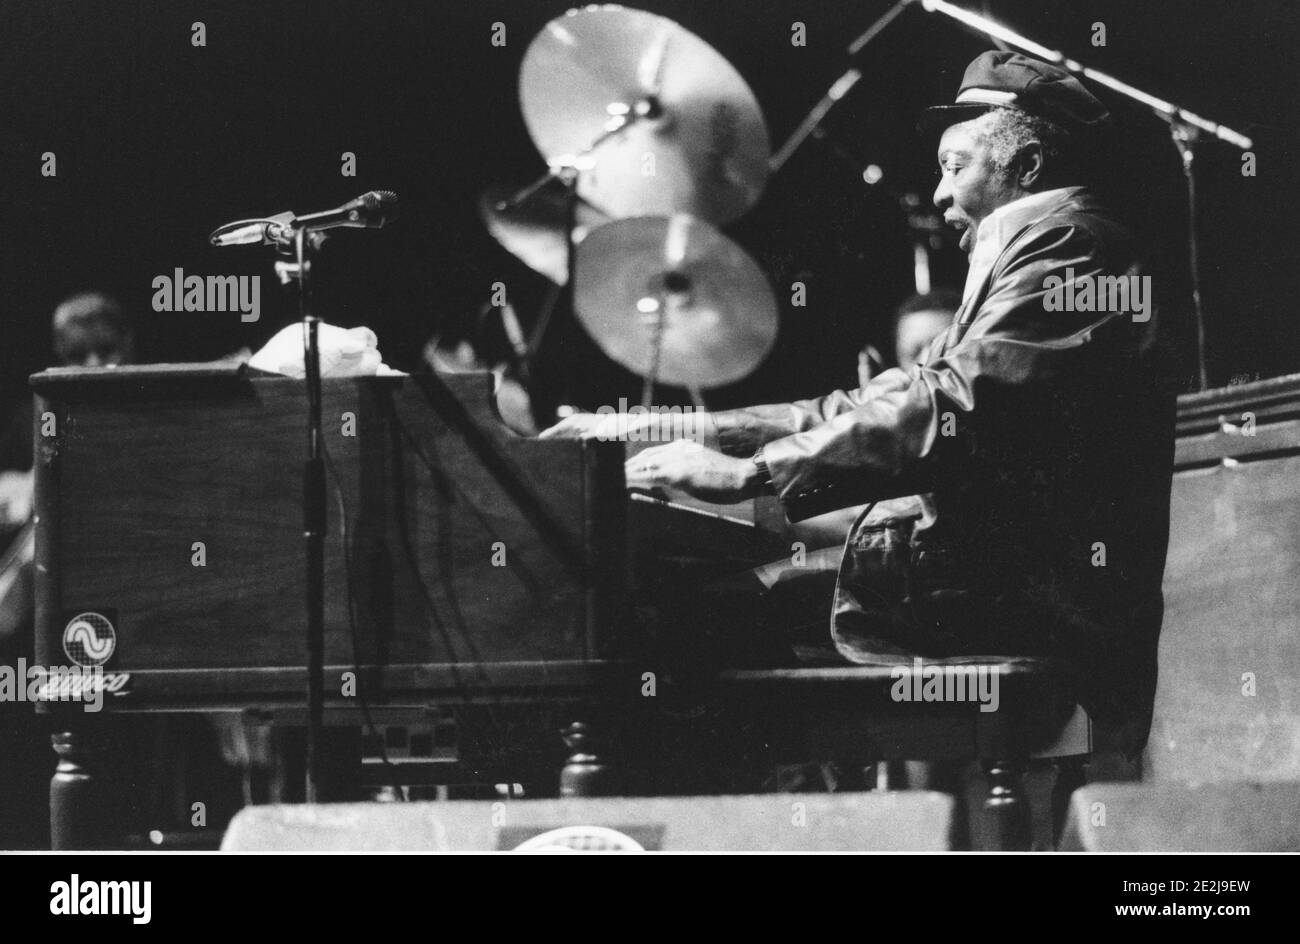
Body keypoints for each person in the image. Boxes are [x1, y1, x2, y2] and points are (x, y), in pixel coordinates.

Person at [543, 51, 1175, 763]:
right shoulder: (1041, 249)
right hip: (987, 582)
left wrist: (750, 475)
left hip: (1026, 602)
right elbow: (877, 399)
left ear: (1025, 165)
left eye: (955, 167)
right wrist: (677, 425)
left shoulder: (1073, 246)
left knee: (694, 620)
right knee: (712, 606)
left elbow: (957, 403)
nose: (937, 195)